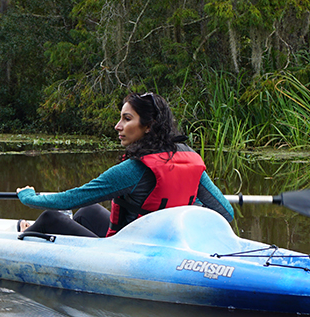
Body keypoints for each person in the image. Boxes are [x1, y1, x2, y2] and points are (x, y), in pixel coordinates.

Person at [15, 92, 234, 237]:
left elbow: (71, 198)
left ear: (148, 126)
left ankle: (28, 234)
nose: (118, 126)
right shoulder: (190, 159)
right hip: (171, 249)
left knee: (51, 217)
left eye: (127, 119)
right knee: (88, 211)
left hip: (129, 253)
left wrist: (29, 197)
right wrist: (186, 208)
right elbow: (225, 212)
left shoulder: (133, 170)